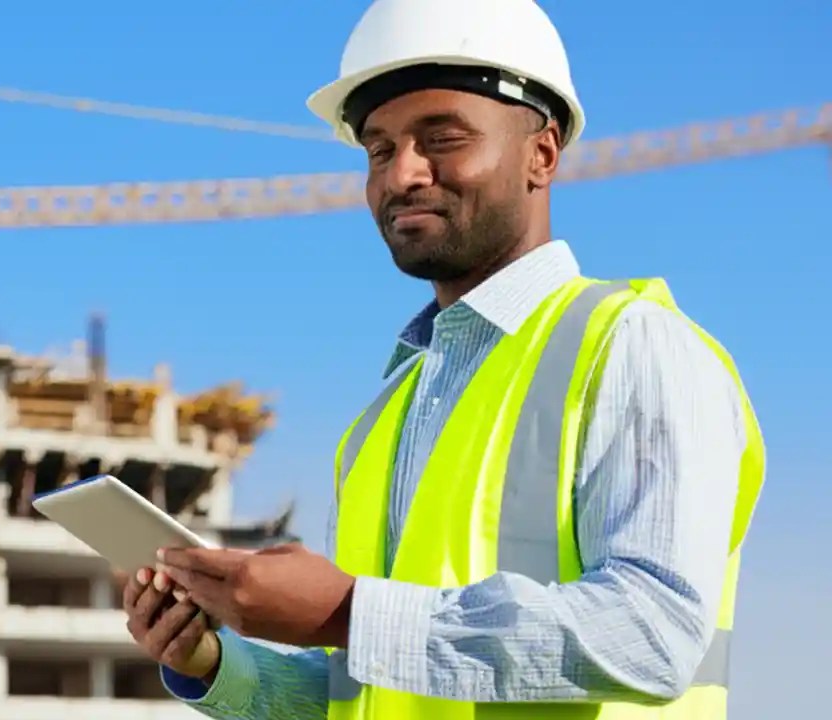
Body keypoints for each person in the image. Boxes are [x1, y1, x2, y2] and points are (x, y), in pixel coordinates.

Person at [121, 0, 767, 718]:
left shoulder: (634, 348)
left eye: (442, 139)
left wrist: (348, 612)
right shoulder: (385, 416)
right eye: (378, 150)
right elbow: (371, 694)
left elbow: (654, 635)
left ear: (542, 153)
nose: (401, 176)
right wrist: (214, 664)